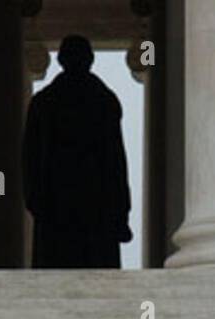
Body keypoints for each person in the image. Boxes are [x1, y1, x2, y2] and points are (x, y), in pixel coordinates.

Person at [22, 35, 132, 268]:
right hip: (95, 209)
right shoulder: (104, 101)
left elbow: (28, 162)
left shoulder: (43, 102)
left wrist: (35, 200)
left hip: (57, 210)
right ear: (90, 60)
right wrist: (121, 214)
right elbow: (116, 163)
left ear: (60, 59)